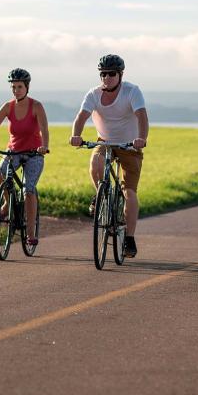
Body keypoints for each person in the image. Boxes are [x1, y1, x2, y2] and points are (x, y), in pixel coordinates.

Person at [69, 54, 149, 258]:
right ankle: (100, 194)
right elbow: (81, 116)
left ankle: (129, 239)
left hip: (130, 144)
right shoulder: (94, 94)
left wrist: (141, 138)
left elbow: (142, 116)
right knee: (95, 161)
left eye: (111, 74)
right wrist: (76, 135)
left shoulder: (132, 91)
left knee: (129, 192)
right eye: (103, 74)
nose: (107, 78)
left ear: (120, 75)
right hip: (104, 141)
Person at [0, 68, 50, 246]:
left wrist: (44, 146)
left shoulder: (36, 106)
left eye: (19, 87)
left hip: (34, 153)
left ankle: (30, 233)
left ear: (27, 87)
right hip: (13, 151)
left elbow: (44, 130)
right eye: (13, 87)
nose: (16, 90)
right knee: (1, 173)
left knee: (28, 190)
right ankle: (8, 204)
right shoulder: (8, 106)